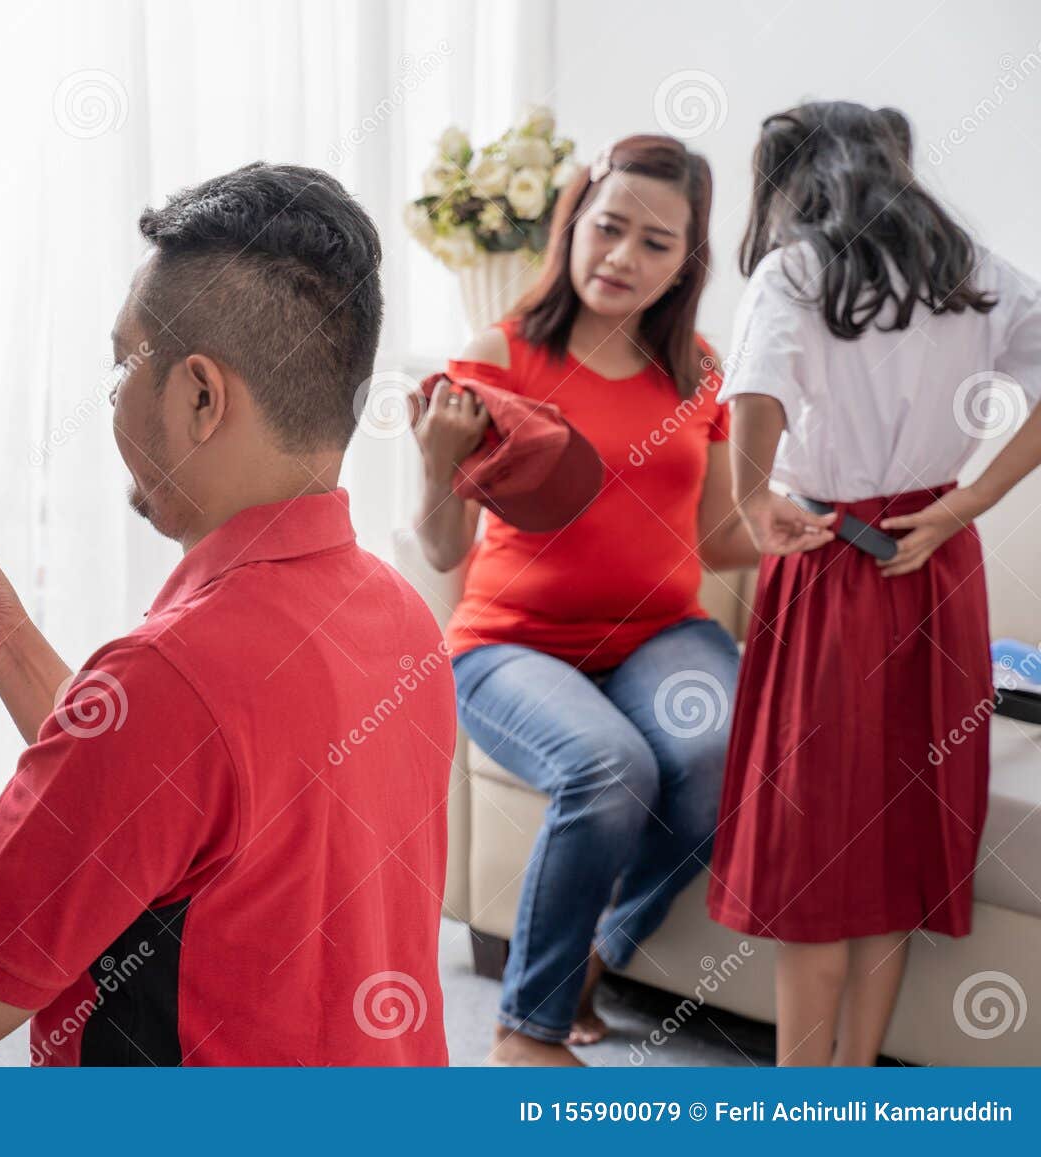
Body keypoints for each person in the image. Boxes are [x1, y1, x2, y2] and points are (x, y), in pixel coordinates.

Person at [0, 163, 460, 1065]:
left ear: (198, 395)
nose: (114, 398)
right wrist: (11, 651)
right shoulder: (397, 614)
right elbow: (174, 821)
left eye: (123, 368)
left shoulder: (173, 679)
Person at [413, 134, 775, 1066]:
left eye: (657, 243)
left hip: (660, 632)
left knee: (721, 750)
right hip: (508, 644)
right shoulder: (500, 355)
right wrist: (431, 464)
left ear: (684, 262)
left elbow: (717, 534)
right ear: (573, 224)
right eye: (608, 228)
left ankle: (590, 955)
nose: (623, 257)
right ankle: (523, 1031)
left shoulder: (697, 371)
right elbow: (445, 546)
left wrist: (801, 525)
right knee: (611, 765)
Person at [709, 101, 1041, 1066]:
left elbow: (756, 393)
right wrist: (966, 500)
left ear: (790, 181)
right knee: (894, 856)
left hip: (832, 569)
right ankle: (850, 1097)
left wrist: (753, 493)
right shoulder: (968, 268)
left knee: (818, 869)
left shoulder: (795, 271)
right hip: (935, 569)